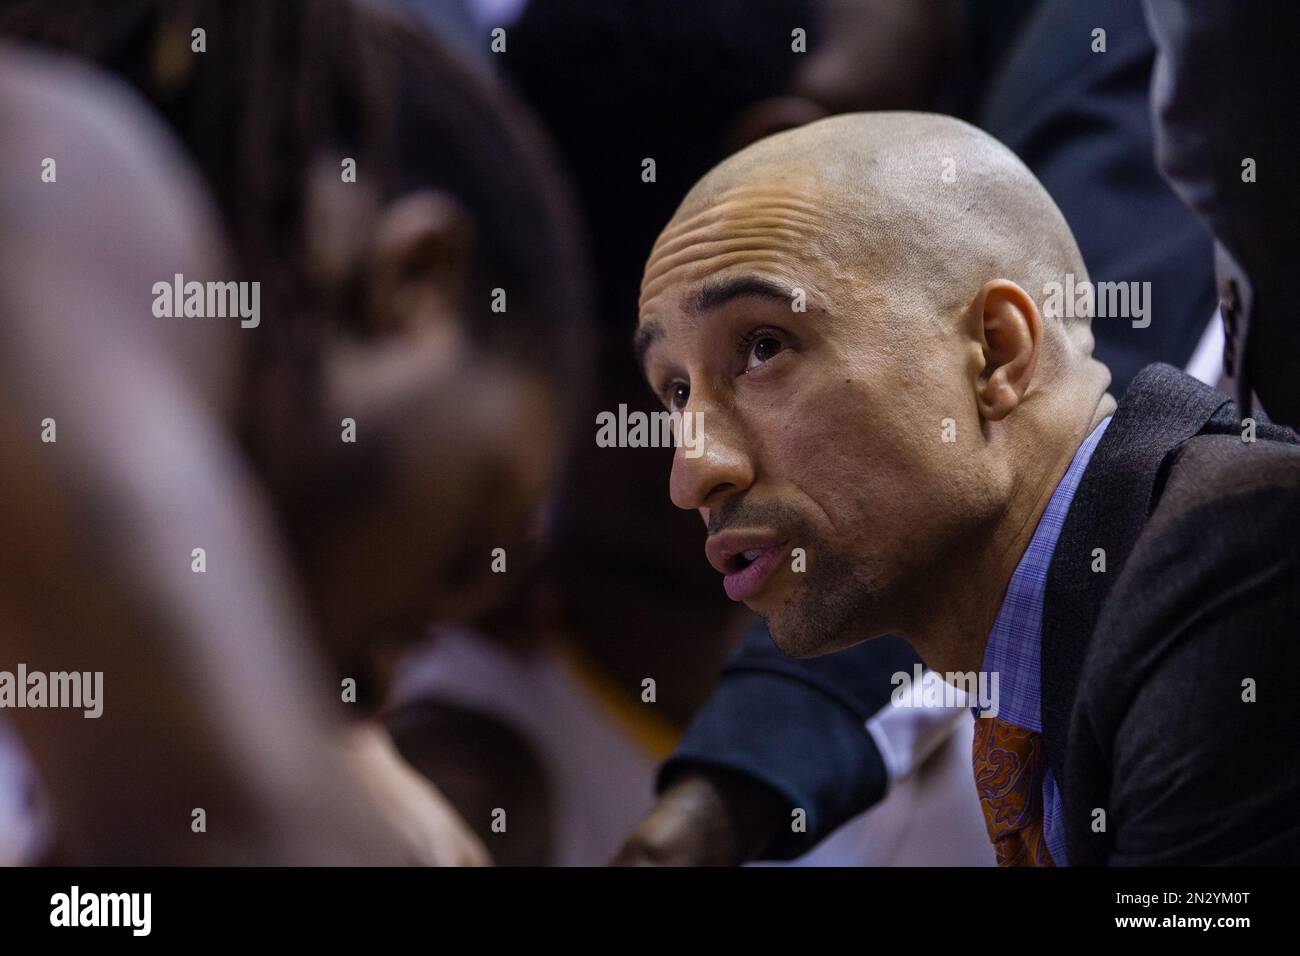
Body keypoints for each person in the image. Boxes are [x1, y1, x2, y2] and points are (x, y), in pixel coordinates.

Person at [0, 0, 590, 862]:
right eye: (461, 554)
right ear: (412, 283)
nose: (380, 691)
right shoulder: (58, 163)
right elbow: (234, 837)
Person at [632, 112, 1300, 864]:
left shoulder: (1237, 566)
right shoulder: (1067, 658)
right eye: (676, 394)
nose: (693, 474)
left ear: (997, 353)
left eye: (762, 348)